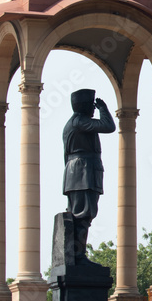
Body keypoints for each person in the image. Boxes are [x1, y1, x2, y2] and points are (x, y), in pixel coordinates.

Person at [62, 89, 115, 262]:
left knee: (83, 215)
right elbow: (108, 126)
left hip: (78, 173)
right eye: (91, 105)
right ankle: (78, 256)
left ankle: (76, 255)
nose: (93, 109)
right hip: (83, 172)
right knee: (82, 215)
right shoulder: (79, 122)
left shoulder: (74, 123)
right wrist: (103, 109)